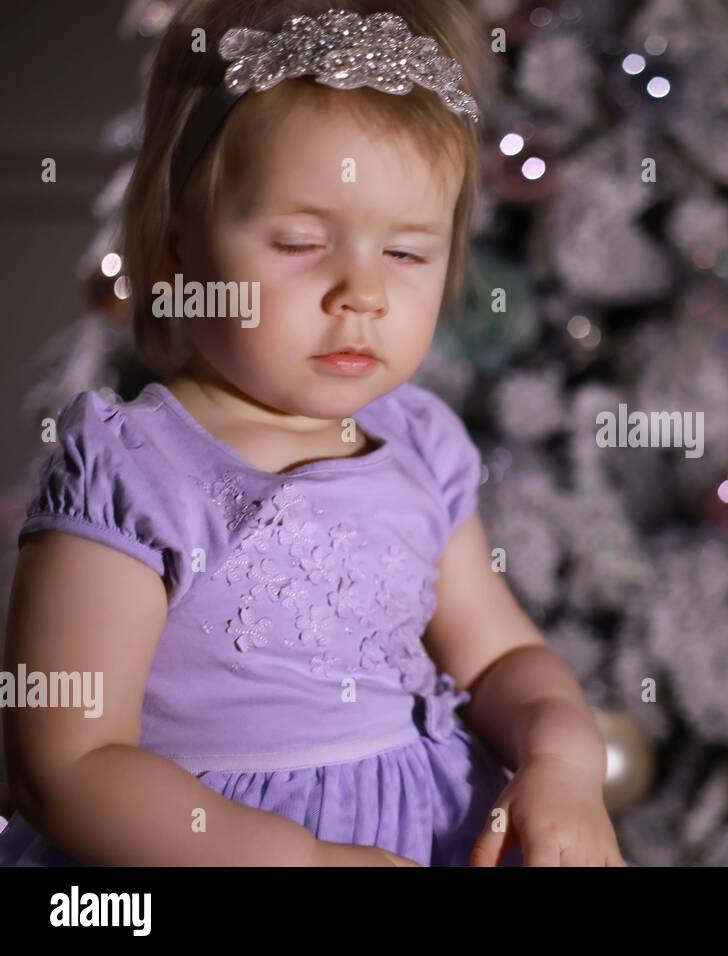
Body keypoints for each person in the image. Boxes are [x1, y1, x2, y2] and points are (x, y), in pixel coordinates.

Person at [0, 1, 628, 867]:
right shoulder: (132, 469)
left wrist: (564, 760)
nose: (361, 294)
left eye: (406, 254)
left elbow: (501, 657)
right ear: (180, 241)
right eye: (300, 242)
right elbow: (65, 763)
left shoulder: (420, 445)